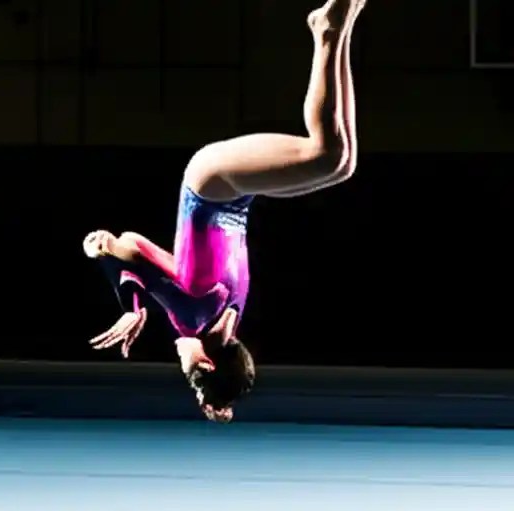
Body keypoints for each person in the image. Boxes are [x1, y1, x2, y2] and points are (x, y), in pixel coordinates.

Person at [82, 0, 367, 423]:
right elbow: (131, 248)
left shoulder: (219, 314)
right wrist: (117, 280)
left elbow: (141, 253)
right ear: (206, 361)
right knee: (338, 162)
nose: (181, 366)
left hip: (225, 189)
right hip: (215, 184)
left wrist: (132, 294)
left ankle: (334, 28)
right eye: (189, 375)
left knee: (330, 158)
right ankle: (335, 28)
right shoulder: (193, 318)